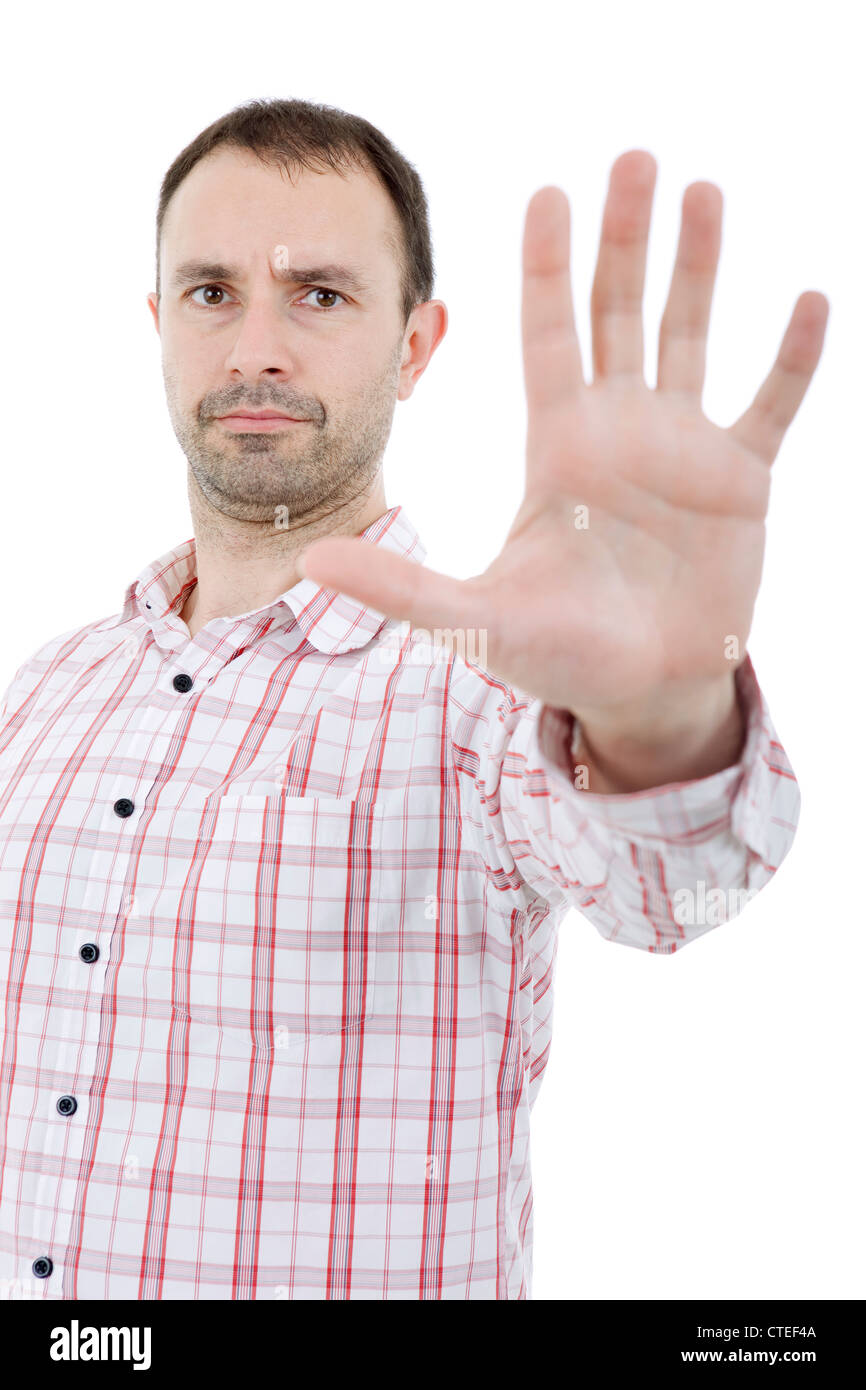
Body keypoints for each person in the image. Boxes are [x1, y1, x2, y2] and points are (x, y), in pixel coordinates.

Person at [0, 97, 827, 1301]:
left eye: (320, 295)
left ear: (415, 345)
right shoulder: (48, 690)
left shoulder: (485, 692)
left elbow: (669, 884)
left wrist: (657, 707)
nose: (253, 352)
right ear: (160, 323)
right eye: (212, 292)